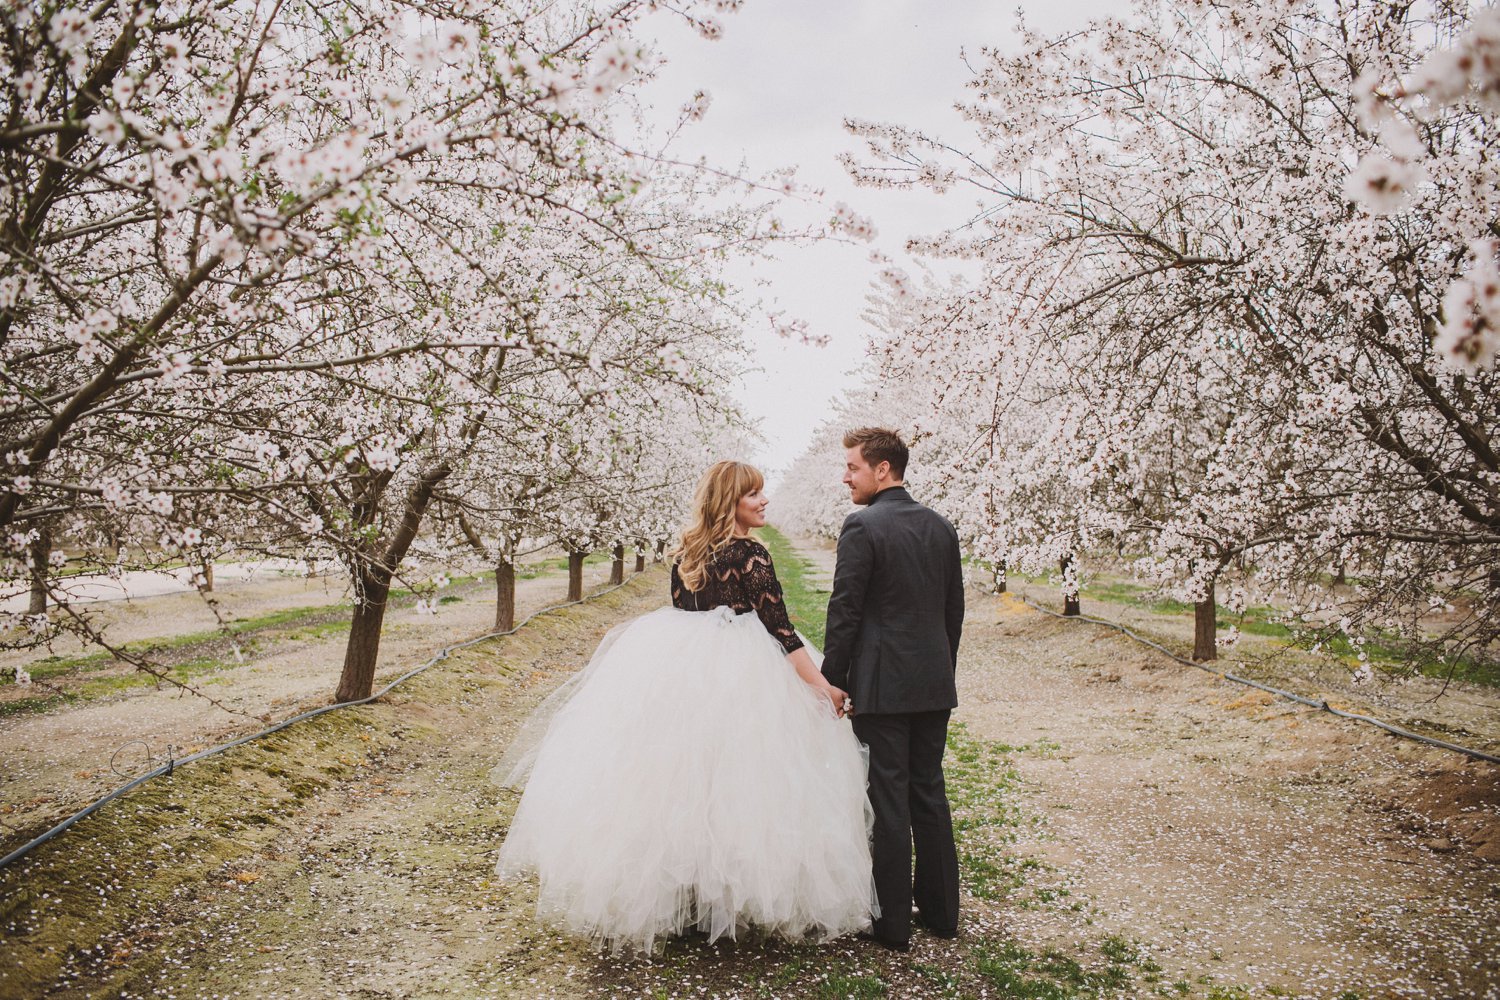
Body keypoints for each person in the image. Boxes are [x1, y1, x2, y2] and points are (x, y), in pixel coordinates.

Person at [491, 461, 878, 953]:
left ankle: (686, 893)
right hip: (742, 673)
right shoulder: (751, 556)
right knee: (741, 780)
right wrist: (822, 686)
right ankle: (723, 893)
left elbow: (686, 610)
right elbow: (781, 630)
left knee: (682, 779)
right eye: (753, 495)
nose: (764, 501)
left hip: (681, 668)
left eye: (762, 493)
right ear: (729, 502)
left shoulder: (687, 553)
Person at [821, 427, 964, 952]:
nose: (845, 477)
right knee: (928, 792)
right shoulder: (941, 528)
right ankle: (943, 914)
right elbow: (954, 613)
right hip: (932, 683)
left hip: (881, 687)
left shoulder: (862, 527)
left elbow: (846, 612)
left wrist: (833, 679)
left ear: (883, 470)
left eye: (853, 467)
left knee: (888, 800)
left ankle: (894, 923)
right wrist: (939, 668)